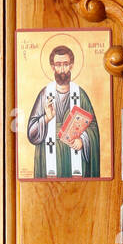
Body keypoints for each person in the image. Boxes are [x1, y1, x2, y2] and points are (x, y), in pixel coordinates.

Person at [26, 44, 100, 178]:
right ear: (52, 67)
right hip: (49, 157)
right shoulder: (44, 94)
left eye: (65, 64)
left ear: (71, 65)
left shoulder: (80, 94)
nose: (62, 69)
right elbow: (31, 133)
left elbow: (93, 127)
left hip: (74, 154)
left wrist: (83, 141)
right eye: (58, 64)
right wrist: (46, 118)